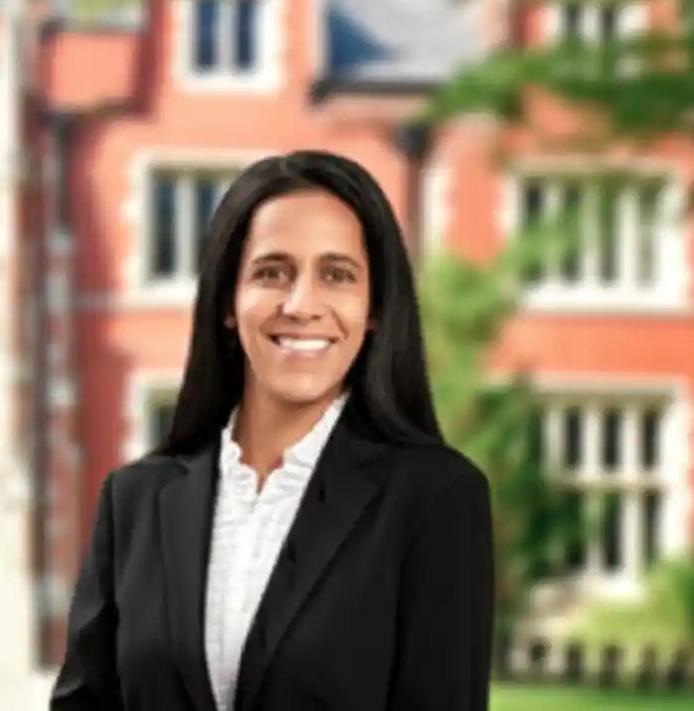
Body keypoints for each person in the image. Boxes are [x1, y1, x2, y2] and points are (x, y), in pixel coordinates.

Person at [50, 150, 494, 711]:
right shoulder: (134, 501)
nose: (302, 304)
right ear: (230, 302)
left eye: (337, 275)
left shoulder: (436, 498)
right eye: (271, 272)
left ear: (375, 307)